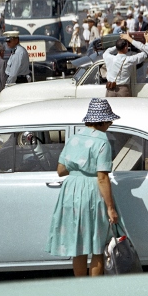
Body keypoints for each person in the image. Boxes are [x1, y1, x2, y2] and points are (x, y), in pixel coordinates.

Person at [45, 98, 120, 277]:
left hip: (71, 192)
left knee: (78, 245)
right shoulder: (102, 142)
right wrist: (111, 208)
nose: (110, 124)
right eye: (109, 120)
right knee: (97, 245)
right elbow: (102, 177)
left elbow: (61, 170)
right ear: (103, 120)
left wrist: (78, 168)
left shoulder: (74, 138)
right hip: (92, 192)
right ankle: (94, 289)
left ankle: (80, 287)